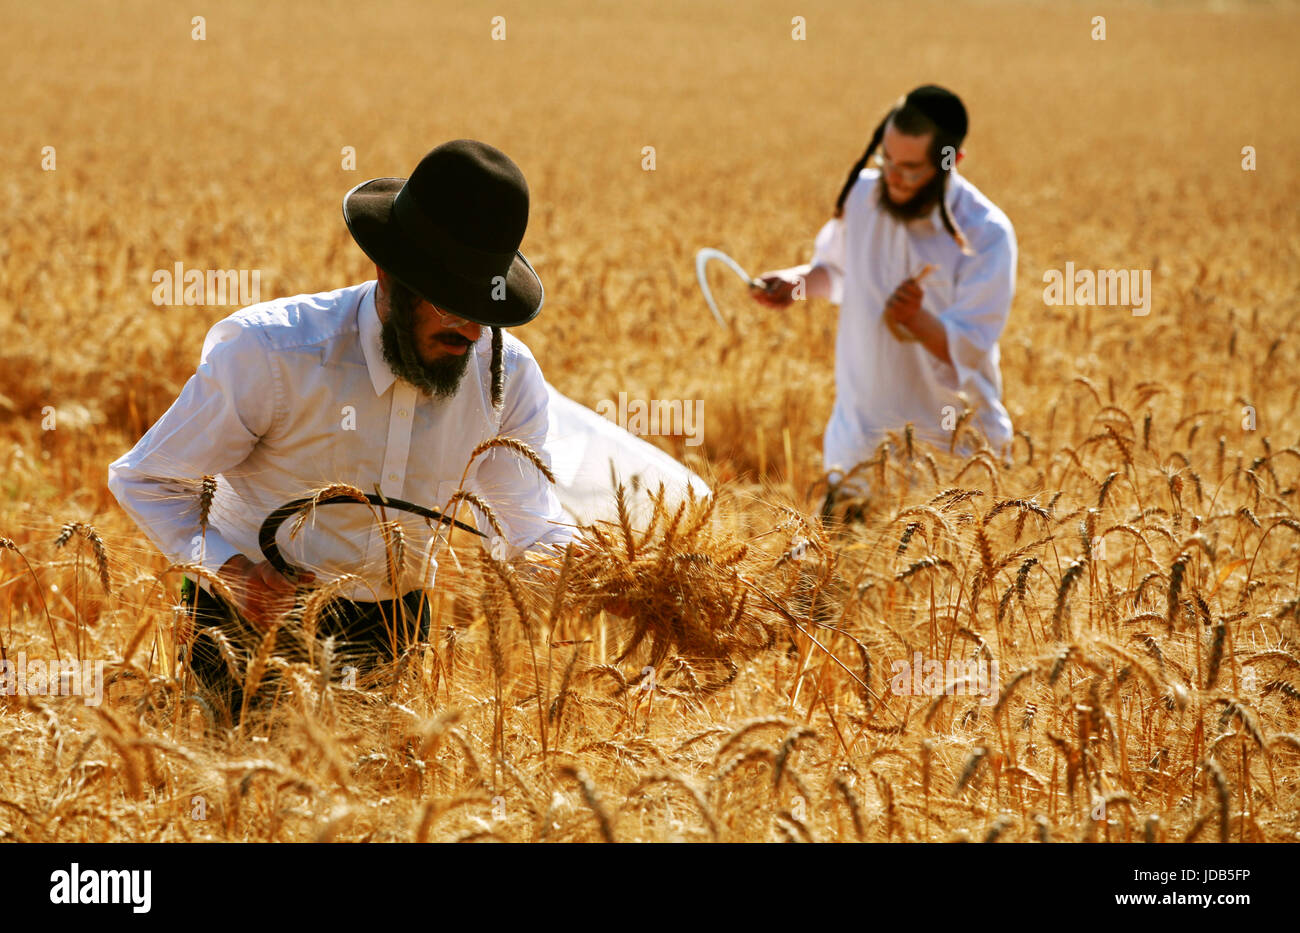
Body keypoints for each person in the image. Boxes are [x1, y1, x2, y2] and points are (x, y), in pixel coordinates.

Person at [108, 140, 574, 722]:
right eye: (450, 302)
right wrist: (234, 572)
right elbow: (146, 477)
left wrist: (619, 577)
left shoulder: (507, 377)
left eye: (484, 305)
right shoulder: (274, 353)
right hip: (246, 629)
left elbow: (529, 529)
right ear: (389, 272)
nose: (473, 331)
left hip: (395, 636)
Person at [753, 85, 1017, 521]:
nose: (893, 179)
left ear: (952, 162)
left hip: (949, 477)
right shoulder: (862, 197)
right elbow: (836, 273)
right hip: (856, 457)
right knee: (823, 589)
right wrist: (795, 284)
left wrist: (916, 321)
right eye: (887, 161)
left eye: (911, 170)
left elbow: (970, 348)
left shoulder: (986, 236)